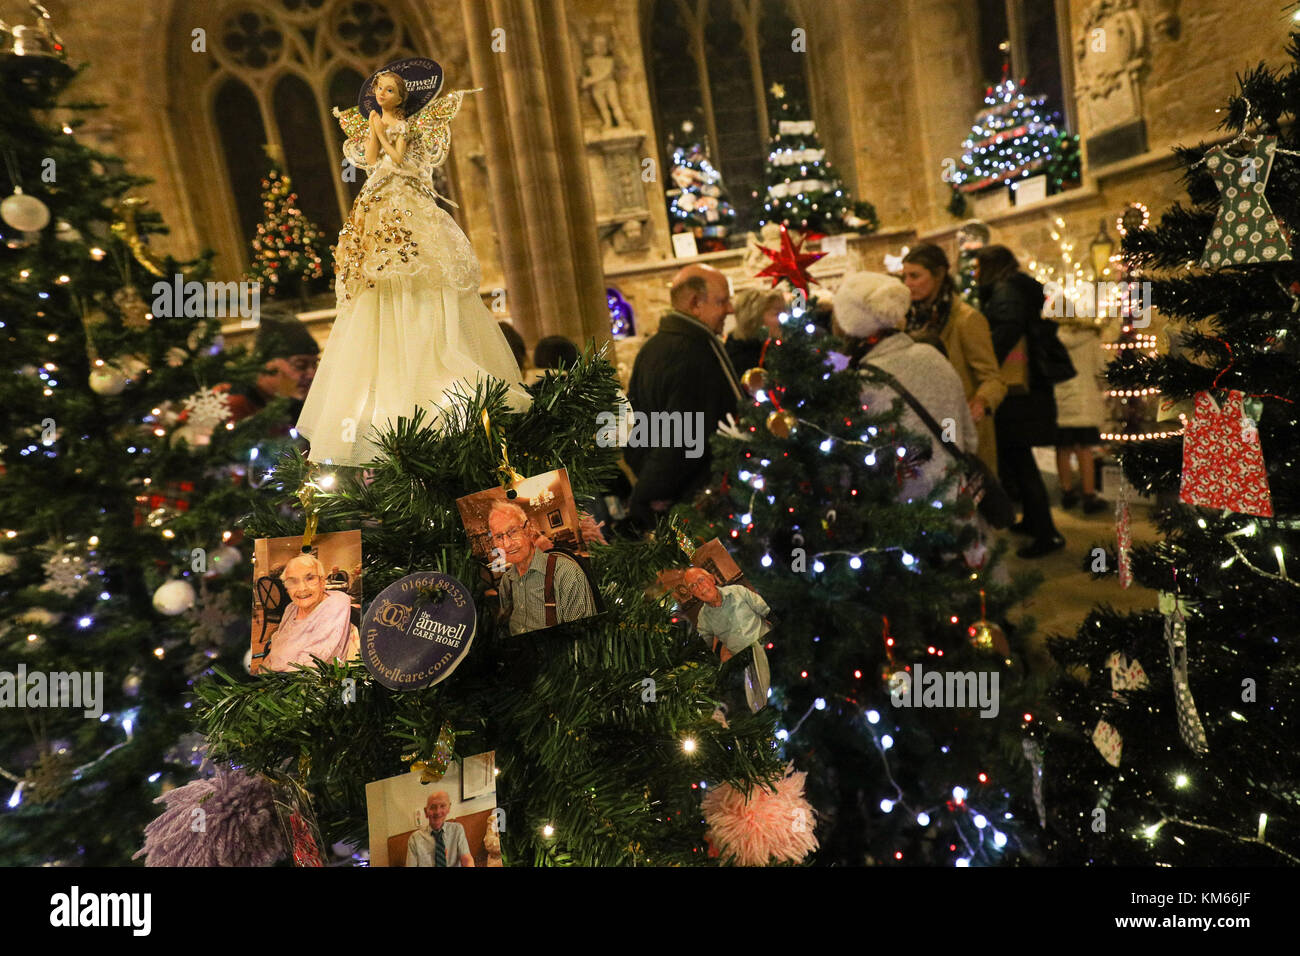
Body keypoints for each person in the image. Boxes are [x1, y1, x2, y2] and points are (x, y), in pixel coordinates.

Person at [296, 64, 529, 466]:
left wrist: (384, 132)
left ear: (401, 97)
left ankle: (435, 369)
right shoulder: (379, 121)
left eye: (388, 91)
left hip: (404, 196)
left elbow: (398, 160)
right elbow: (370, 160)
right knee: (381, 283)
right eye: (378, 90)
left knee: (421, 272)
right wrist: (372, 130)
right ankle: (393, 388)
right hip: (378, 201)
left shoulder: (404, 126)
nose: (381, 96)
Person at [836, 271, 977, 504]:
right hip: (958, 501)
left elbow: (853, 466)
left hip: (905, 514)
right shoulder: (933, 356)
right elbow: (968, 435)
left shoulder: (861, 381)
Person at [625, 264, 744, 529]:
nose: (730, 310)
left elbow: (633, 426)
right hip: (698, 504)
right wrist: (653, 493)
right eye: (722, 301)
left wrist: (648, 482)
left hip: (672, 498)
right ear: (695, 303)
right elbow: (684, 438)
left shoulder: (653, 347)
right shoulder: (694, 352)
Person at [975, 245, 1064, 558]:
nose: (974, 273)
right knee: (1020, 460)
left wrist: (986, 359)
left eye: (977, 266)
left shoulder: (1005, 291)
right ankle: (1035, 522)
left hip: (1017, 392)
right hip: (1030, 389)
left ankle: (1047, 534)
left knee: (1021, 462)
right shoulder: (1022, 287)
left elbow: (1007, 329)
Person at [901, 244, 1006, 475]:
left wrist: (980, 402)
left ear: (938, 275)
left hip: (959, 424)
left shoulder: (966, 319)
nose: (908, 283)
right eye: (905, 276)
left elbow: (994, 379)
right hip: (925, 421)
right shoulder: (909, 318)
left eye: (915, 276)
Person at [489, 500, 597, 635]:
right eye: (498, 537)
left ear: (528, 530)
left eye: (513, 531)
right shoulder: (506, 580)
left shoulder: (566, 574)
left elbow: (583, 639)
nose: (506, 544)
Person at [257, 554, 360, 673]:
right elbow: (277, 644)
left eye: (310, 578)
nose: (302, 588)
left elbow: (311, 664)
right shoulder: (291, 608)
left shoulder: (336, 603)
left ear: (322, 582)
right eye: (293, 581)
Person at [224, 312, 320, 427]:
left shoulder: (300, 409)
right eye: (300, 365)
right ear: (267, 365)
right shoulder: (228, 408)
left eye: (315, 365)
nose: (312, 375)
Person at [1054, 320, 1108, 513]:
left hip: (1061, 398)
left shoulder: (1054, 338)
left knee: (1063, 448)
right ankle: (1088, 495)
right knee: (1085, 449)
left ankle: (1067, 492)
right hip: (1085, 399)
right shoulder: (1091, 339)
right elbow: (1101, 370)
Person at [685, 567, 770, 661]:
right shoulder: (703, 618)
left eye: (701, 580)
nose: (700, 588)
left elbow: (766, 609)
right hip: (744, 659)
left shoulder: (738, 591)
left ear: (711, 579)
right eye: (693, 586)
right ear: (693, 594)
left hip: (766, 644)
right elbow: (701, 646)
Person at [724, 287, 786, 374]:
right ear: (754, 319)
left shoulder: (779, 349)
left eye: (785, 311)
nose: (786, 319)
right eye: (778, 314)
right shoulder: (740, 357)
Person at [405, 791, 474, 867]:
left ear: (448, 808)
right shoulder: (415, 839)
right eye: (433, 807)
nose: (437, 812)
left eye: (442, 806)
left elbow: (467, 859)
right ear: (426, 812)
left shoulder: (457, 830)